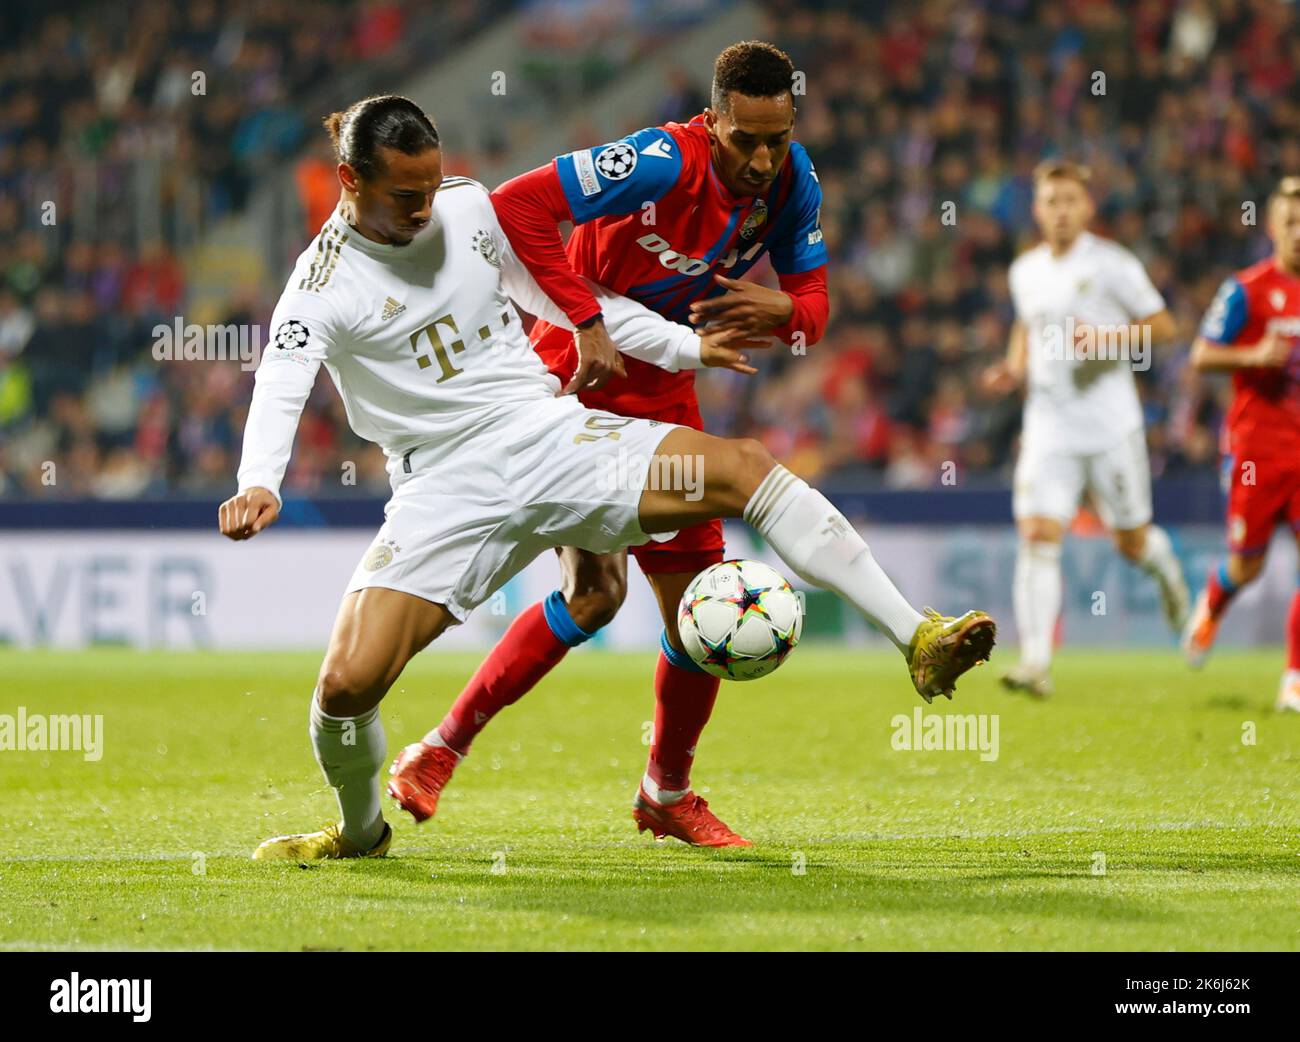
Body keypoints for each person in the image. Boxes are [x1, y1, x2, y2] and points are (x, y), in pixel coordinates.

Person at [220, 94, 995, 861]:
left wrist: (684, 349)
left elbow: (567, 299)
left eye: (432, 186)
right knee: (346, 689)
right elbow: (282, 377)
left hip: (545, 432)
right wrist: (262, 480)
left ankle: (914, 635)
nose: (426, 209)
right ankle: (361, 833)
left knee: (743, 468)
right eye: (405, 195)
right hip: (441, 486)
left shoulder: (467, 210)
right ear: (350, 183)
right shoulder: (319, 284)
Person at [391, 40, 830, 847]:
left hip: (664, 390)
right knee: (594, 594)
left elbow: (812, 300)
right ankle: (438, 748)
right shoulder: (658, 159)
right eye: (749, 141)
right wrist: (584, 319)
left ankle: (665, 791)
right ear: (715, 120)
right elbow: (517, 206)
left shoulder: (796, 180)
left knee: (702, 611)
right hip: (574, 374)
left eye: (780, 136)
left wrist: (789, 316)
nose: (767, 157)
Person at [982, 160, 1189, 699]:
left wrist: (1110, 340)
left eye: (1071, 200)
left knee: (1132, 543)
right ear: (1037, 209)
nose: (1061, 211)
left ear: (1088, 206)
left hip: (1110, 427)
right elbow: (1027, 326)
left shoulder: (1113, 264)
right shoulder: (1024, 270)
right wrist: (1014, 367)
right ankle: (1036, 663)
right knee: (1038, 536)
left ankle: (1170, 581)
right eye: (1052, 201)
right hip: (1048, 425)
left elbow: (1164, 327)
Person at [1182, 177, 1300, 712]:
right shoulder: (1247, 289)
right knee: (1247, 565)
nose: (1299, 234)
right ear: (1273, 227)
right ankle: (1212, 600)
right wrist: (1253, 358)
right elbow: (1202, 355)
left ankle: (1294, 680)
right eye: (1290, 223)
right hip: (1257, 449)